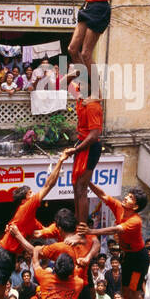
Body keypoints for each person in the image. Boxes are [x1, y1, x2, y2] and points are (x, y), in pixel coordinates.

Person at [0, 152, 70, 299]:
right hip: (2, 254)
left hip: (4, 255)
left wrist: (65, 226)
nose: (34, 195)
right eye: (31, 193)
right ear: (25, 198)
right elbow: (49, 185)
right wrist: (60, 162)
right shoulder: (27, 206)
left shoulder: (30, 220)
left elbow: (44, 232)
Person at [84, 184, 149, 299]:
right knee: (126, 292)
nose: (126, 197)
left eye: (131, 197)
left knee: (134, 294)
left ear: (136, 206)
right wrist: (88, 183)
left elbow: (116, 230)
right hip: (127, 257)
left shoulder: (135, 221)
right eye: (128, 195)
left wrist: (91, 231)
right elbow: (103, 195)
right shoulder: (120, 207)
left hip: (138, 260)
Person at [66, 73, 103, 225]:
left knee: (81, 188)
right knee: (76, 185)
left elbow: (94, 135)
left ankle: (82, 226)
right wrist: (72, 74)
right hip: (82, 145)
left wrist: (76, 150)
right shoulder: (81, 98)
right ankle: (77, 220)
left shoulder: (93, 106)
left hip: (90, 147)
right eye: (78, 83)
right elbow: (63, 83)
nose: (78, 86)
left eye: (81, 84)